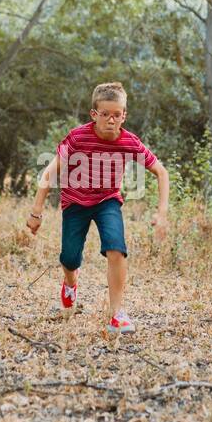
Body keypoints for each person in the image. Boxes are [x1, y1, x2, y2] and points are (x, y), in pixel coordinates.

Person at [25, 82, 169, 336]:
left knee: (116, 249)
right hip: (75, 202)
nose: (111, 120)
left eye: (117, 114)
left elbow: (161, 172)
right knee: (69, 259)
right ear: (94, 114)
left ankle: (116, 314)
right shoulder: (78, 137)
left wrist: (162, 213)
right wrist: (36, 211)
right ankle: (70, 284)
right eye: (105, 114)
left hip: (107, 201)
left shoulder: (129, 142)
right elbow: (50, 171)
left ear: (124, 115)